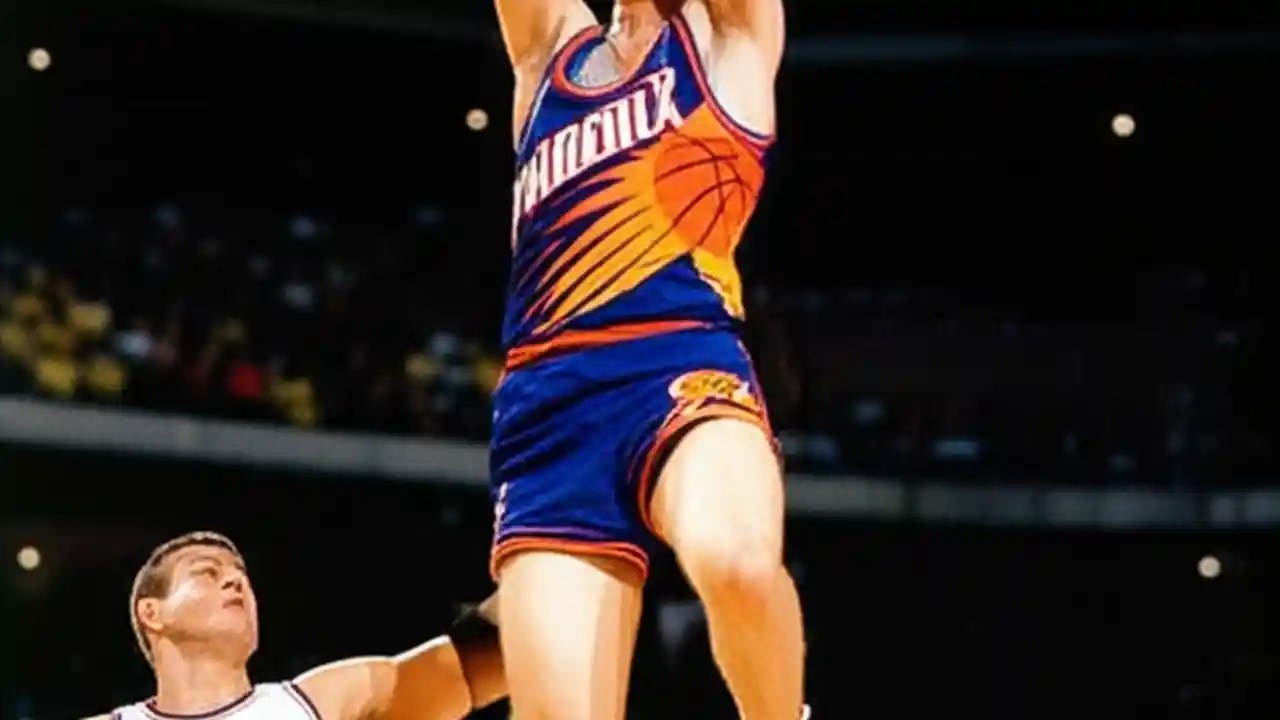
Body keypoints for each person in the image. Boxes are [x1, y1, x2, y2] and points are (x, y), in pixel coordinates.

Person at [488, 0, 806, 718]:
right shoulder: (551, 50)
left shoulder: (727, 36)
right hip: (548, 403)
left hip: (678, 360)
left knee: (739, 564)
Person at [83, 531, 505, 720]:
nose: (235, 581)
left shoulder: (322, 702)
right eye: (206, 573)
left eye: (240, 574)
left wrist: (549, 570)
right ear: (152, 613)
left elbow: (467, 668)